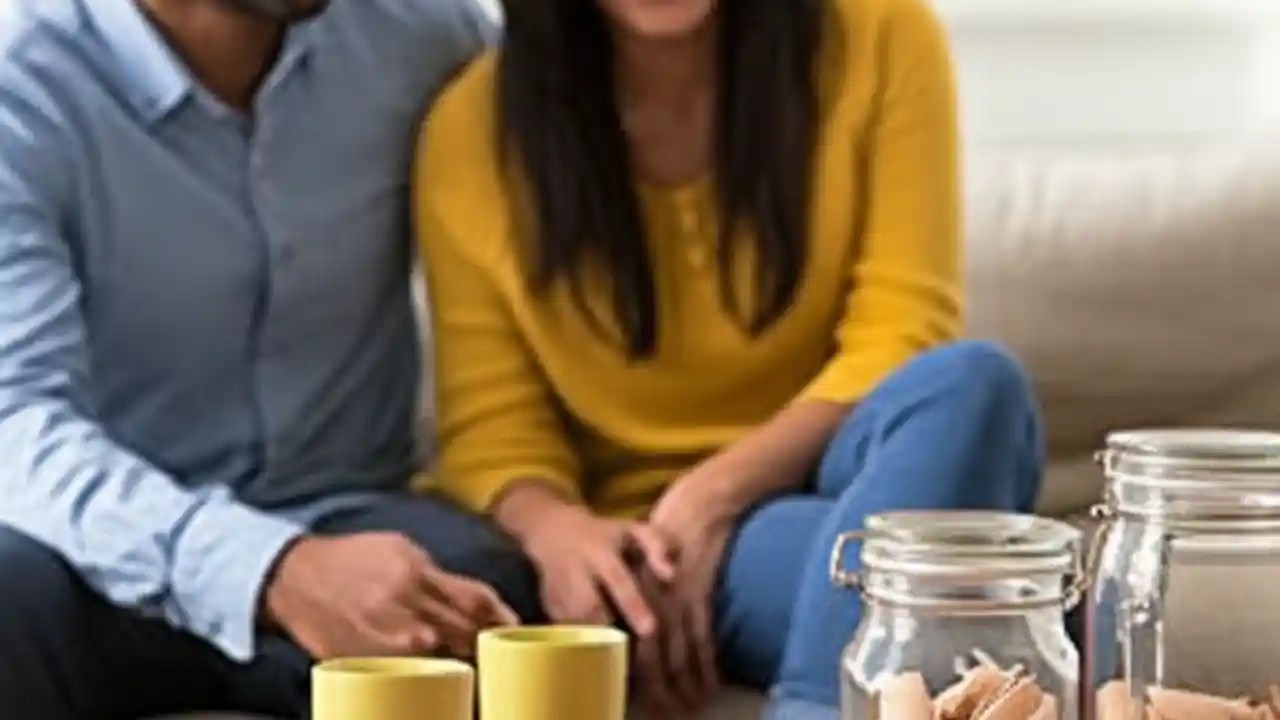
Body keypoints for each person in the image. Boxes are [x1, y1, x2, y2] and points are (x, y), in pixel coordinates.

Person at [414, 0, 1045, 717]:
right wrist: (558, 532)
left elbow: (903, 332)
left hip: (851, 478)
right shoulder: (472, 128)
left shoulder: (883, 36)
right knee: (993, 604)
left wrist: (712, 496)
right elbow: (493, 431)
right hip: (675, 561)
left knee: (977, 385)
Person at [0, 0, 542, 718]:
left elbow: (592, 111)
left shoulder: (421, 32)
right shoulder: (21, 84)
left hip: (355, 520)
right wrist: (267, 569)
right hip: (104, 553)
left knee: (481, 590)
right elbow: (14, 423)